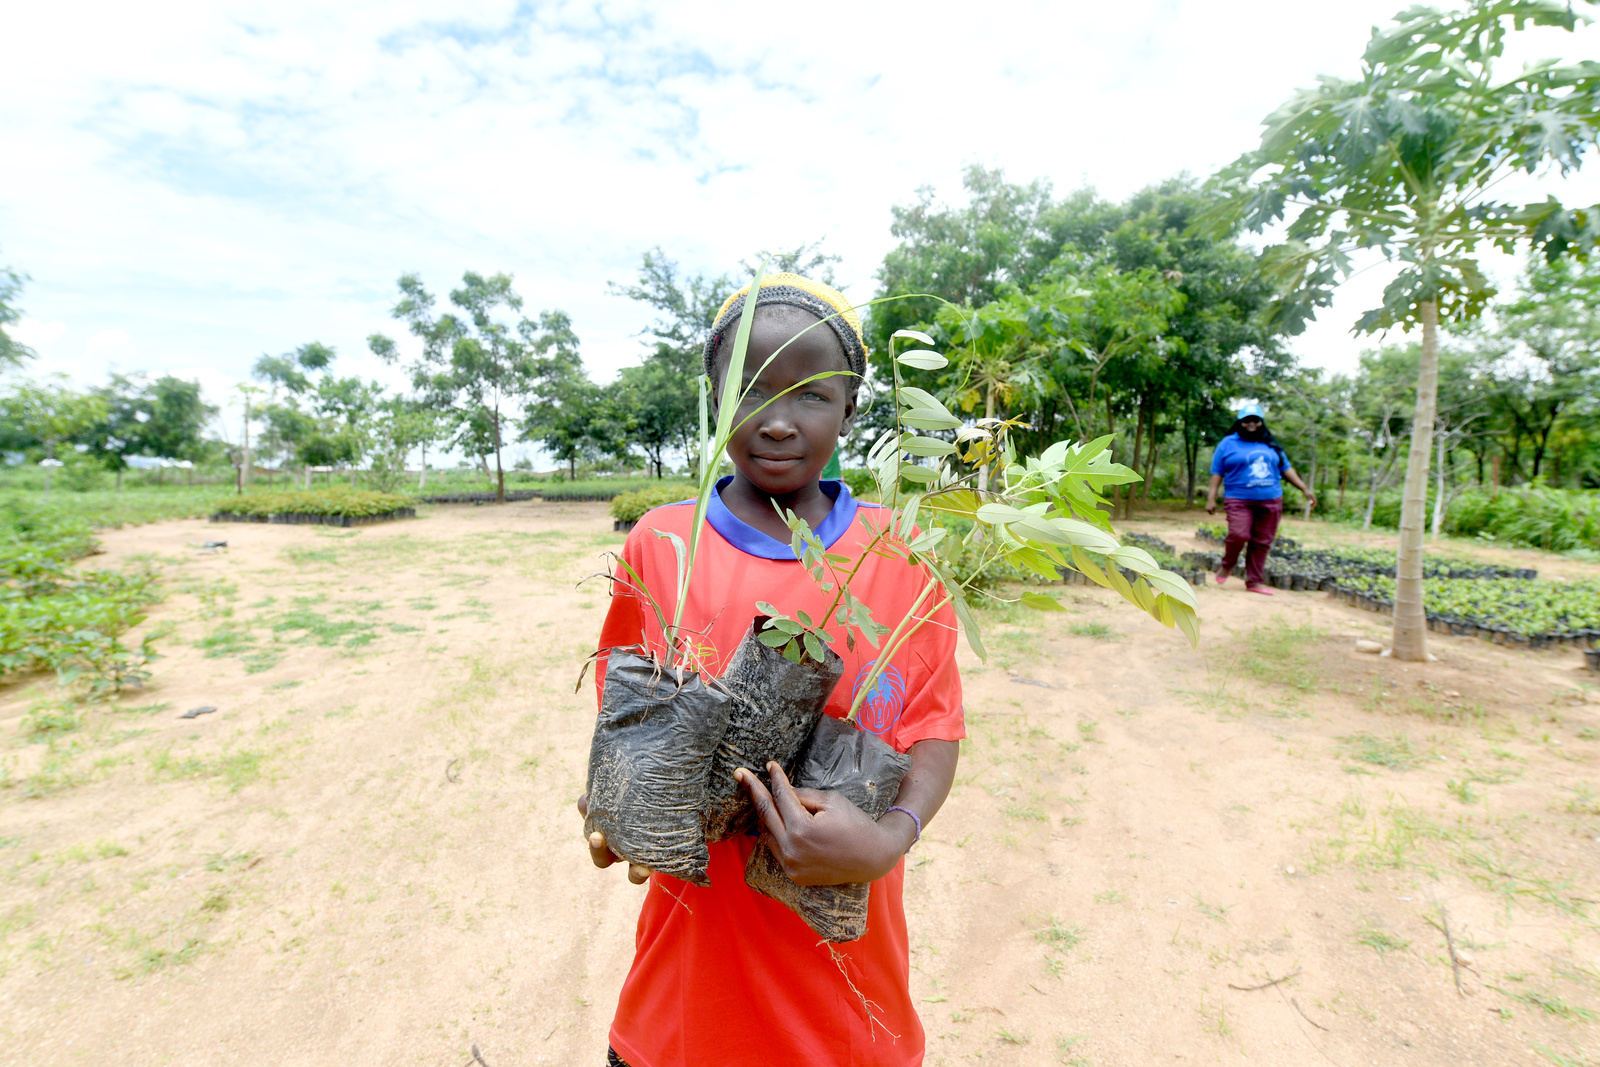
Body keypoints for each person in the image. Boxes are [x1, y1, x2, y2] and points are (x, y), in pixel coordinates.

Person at [579, 273, 964, 1067]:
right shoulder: (664, 545)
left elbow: (933, 728)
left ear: (853, 406)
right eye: (750, 388)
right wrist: (615, 805)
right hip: (683, 1013)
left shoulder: (901, 556)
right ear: (713, 396)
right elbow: (625, 711)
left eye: (813, 395)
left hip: (848, 1019)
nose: (780, 422)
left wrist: (892, 836)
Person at [1204, 402, 1317, 595]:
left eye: (1255, 421)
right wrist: (1211, 498)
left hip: (1271, 499)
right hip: (1238, 498)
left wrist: (1304, 489)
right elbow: (1217, 472)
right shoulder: (1228, 443)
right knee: (1239, 534)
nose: (1251, 425)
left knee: (1262, 541)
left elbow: (1286, 469)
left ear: (1261, 422)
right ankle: (1228, 563)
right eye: (1246, 421)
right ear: (1240, 423)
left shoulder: (1270, 443)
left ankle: (1254, 581)